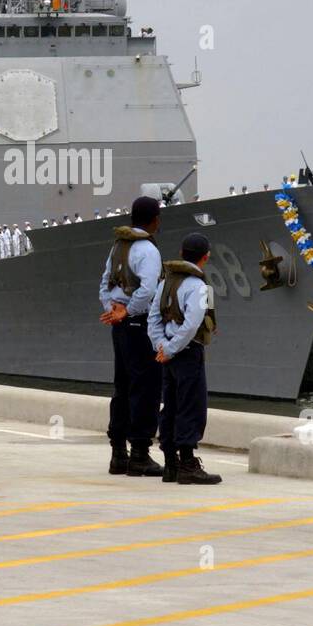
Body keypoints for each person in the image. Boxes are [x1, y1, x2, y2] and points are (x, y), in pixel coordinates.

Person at [148, 232, 222, 485]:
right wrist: (172, 348)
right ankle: (188, 464)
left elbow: (153, 319)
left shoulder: (164, 284)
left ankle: (171, 464)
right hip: (188, 352)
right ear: (206, 257)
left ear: (181, 254)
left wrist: (161, 346)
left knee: (170, 405)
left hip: (167, 354)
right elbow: (192, 325)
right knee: (191, 406)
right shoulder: (200, 287)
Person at [98, 194, 163, 477]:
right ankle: (139, 453)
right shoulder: (148, 250)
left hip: (120, 327)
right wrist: (129, 311)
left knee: (122, 385)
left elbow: (104, 284)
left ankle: (117, 454)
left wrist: (112, 310)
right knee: (146, 385)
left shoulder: (118, 247)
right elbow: (148, 289)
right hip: (139, 324)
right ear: (154, 220)